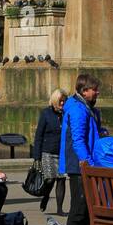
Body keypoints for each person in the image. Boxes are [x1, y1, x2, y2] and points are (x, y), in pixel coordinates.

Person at [60, 72, 104, 225]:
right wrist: (89, 165)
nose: (97, 92)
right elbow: (78, 141)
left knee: (84, 206)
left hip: (82, 164)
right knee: (79, 207)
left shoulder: (84, 107)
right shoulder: (78, 110)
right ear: (84, 91)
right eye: (94, 90)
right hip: (80, 166)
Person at [33, 88, 67, 216]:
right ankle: (45, 195)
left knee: (61, 179)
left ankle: (59, 209)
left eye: (64, 101)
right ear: (54, 100)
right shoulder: (46, 113)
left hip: (62, 152)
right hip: (48, 152)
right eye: (60, 101)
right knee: (49, 180)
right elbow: (39, 135)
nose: (62, 103)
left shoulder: (66, 114)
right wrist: (36, 156)